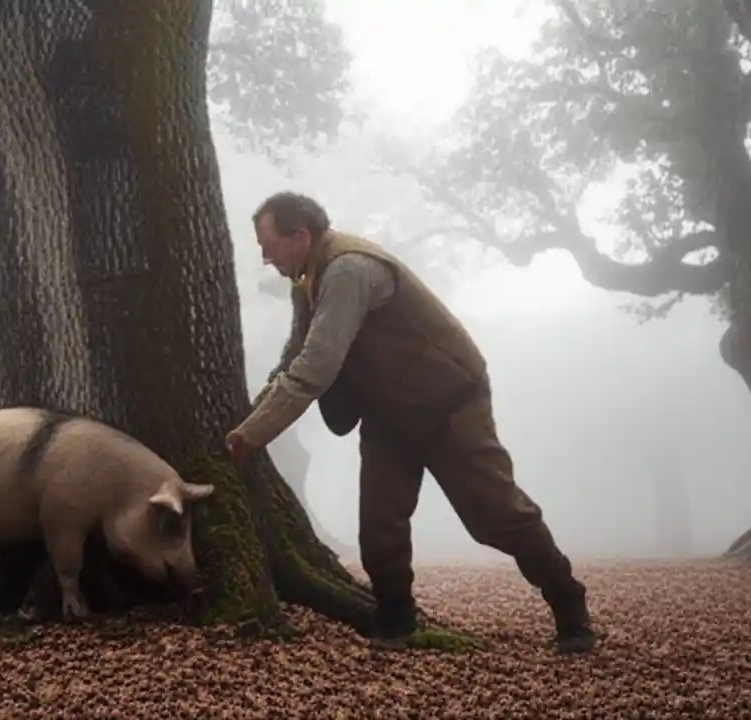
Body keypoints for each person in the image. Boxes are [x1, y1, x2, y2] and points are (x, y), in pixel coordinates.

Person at [224, 191, 596, 654]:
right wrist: (247, 418)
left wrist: (250, 436)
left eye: (268, 245)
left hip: (448, 402)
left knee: (496, 513)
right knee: (380, 522)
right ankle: (395, 619)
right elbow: (294, 357)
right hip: (389, 410)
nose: (264, 258)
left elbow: (314, 368)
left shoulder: (348, 270)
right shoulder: (310, 279)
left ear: (301, 236)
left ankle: (569, 603)